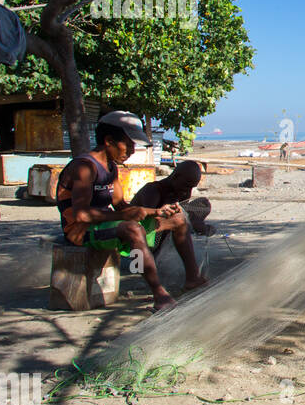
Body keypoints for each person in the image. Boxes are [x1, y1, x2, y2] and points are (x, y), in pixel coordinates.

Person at [55, 111, 207, 311]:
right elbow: (81, 215)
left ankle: (192, 279)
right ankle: (159, 294)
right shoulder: (84, 168)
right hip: (80, 232)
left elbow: (121, 206)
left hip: (106, 224)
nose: (131, 150)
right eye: (128, 144)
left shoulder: (110, 168)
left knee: (178, 218)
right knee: (132, 229)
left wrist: (156, 212)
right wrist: (125, 216)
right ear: (109, 141)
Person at [131, 160, 215, 260]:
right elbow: (151, 221)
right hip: (146, 236)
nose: (188, 191)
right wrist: (188, 224)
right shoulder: (153, 190)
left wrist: (189, 219)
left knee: (203, 204)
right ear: (176, 177)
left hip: (167, 224)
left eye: (191, 188)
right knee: (176, 222)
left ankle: (189, 227)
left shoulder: (181, 192)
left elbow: (182, 210)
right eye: (186, 186)